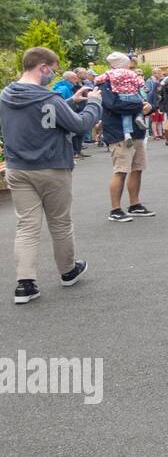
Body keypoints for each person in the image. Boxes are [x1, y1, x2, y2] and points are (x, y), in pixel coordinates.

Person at [0, 47, 102, 304]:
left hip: (18, 168)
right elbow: (79, 125)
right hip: (52, 167)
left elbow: (40, 117)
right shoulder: (48, 98)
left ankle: (25, 284)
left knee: (26, 226)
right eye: (53, 70)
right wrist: (94, 103)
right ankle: (68, 271)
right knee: (60, 222)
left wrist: (70, 101)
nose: (53, 75)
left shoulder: (6, 95)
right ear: (43, 67)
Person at [97, 61, 155, 223]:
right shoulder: (105, 83)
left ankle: (134, 205)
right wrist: (138, 106)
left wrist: (149, 107)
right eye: (129, 66)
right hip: (118, 132)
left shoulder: (135, 81)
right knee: (121, 170)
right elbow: (113, 105)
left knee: (137, 168)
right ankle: (115, 209)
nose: (130, 70)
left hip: (137, 131)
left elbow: (148, 101)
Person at [95, 52, 148, 148]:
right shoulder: (131, 74)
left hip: (122, 97)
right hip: (118, 135)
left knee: (126, 115)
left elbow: (98, 79)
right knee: (136, 104)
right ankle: (138, 117)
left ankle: (127, 133)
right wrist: (141, 106)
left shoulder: (108, 75)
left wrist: (149, 106)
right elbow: (113, 105)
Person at [144, 67, 166, 139]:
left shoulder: (158, 80)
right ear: (154, 73)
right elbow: (148, 92)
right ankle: (153, 133)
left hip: (159, 104)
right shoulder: (149, 81)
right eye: (158, 73)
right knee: (154, 120)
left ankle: (160, 133)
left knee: (160, 120)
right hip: (153, 103)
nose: (160, 74)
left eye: (160, 73)